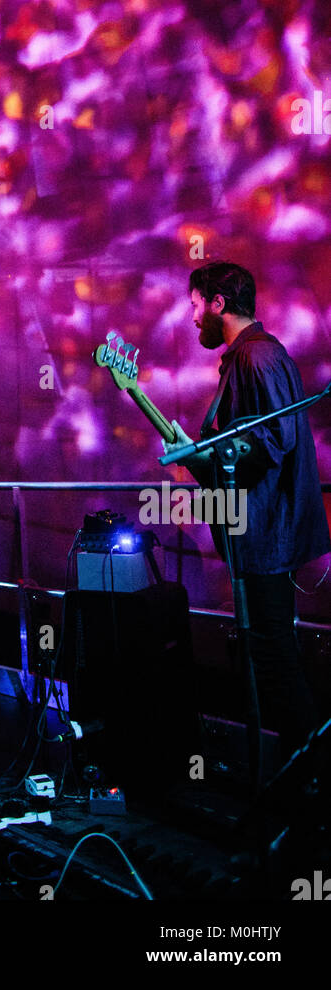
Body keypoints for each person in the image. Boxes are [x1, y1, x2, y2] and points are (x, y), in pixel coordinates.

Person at [169, 261, 330, 769]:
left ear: (218, 304)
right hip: (262, 536)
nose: (193, 317)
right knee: (272, 659)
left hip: (266, 538)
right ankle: (299, 783)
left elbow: (271, 443)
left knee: (276, 662)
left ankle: (308, 782)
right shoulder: (251, 356)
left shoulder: (256, 358)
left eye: (196, 304)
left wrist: (204, 455)